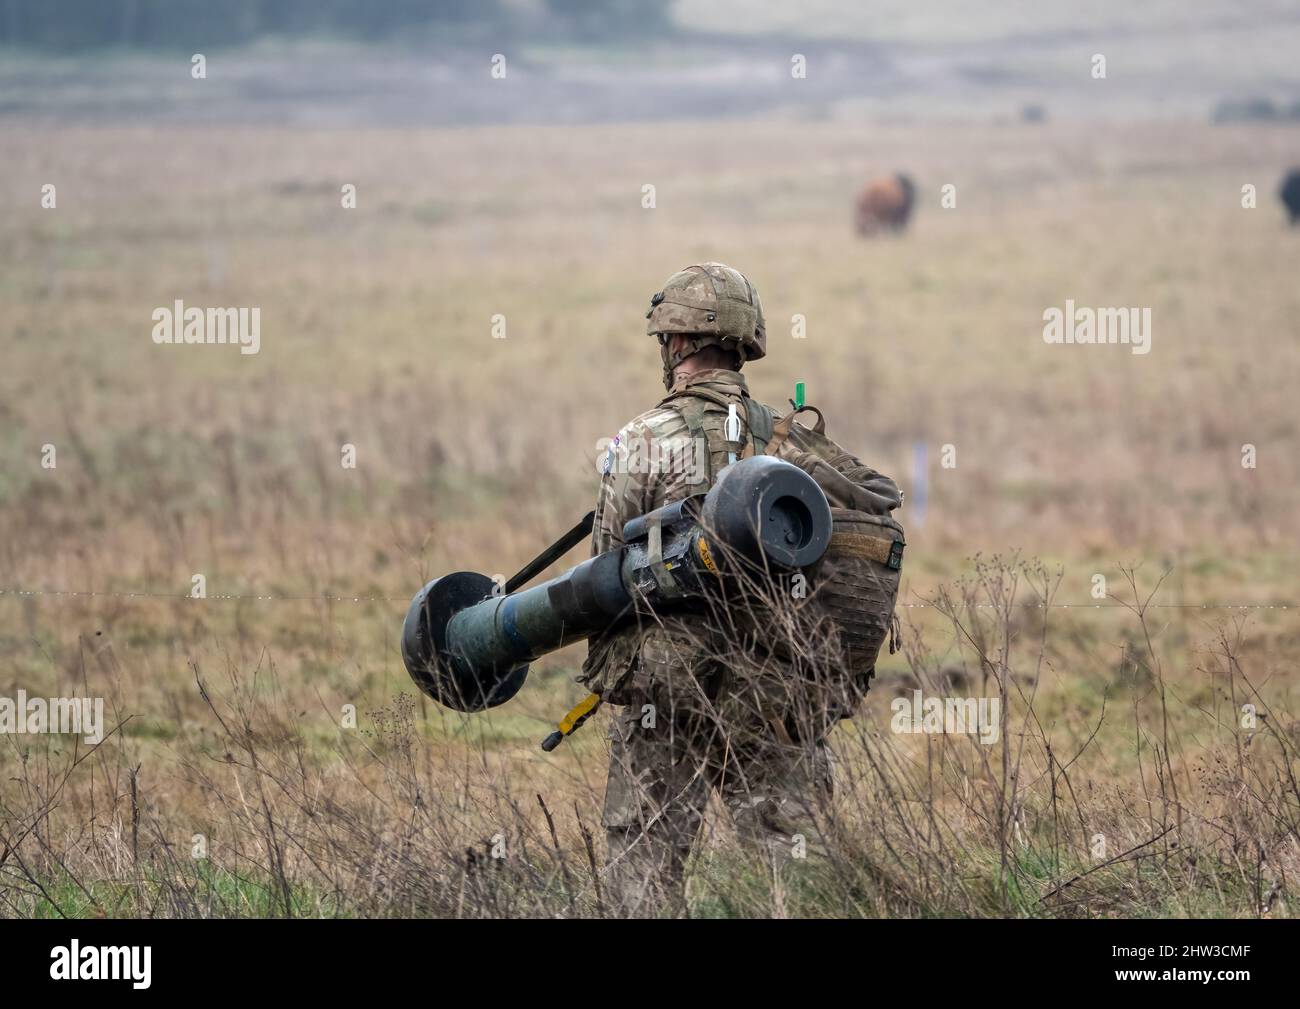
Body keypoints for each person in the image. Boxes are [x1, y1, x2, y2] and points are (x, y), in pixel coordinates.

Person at [580, 262, 904, 915]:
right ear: (744, 344)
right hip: (776, 686)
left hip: (667, 693)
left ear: (674, 344)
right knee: (796, 862)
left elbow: (603, 573)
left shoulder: (639, 440)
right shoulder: (798, 446)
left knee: (644, 857)